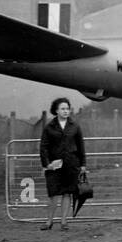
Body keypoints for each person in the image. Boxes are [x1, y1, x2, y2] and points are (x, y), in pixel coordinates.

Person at [39, 97, 87, 230]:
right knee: (53, 193)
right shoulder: (49, 127)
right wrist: (47, 164)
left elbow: (81, 146)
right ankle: (49, 222)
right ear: (56, 110)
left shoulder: (75, 126)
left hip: (71, 164)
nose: (66, 111)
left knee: (67, 193)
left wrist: (83, 165)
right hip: (54, 166)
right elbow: (43, 147)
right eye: (63, 109)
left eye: (67, 109)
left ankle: (64, 221)